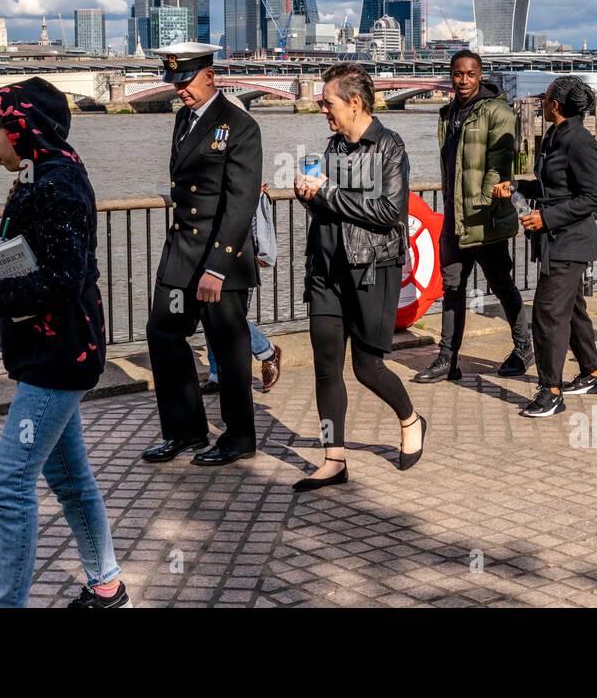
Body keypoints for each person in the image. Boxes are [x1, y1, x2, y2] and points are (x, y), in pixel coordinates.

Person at [0, 77, 126, 609]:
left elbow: (60, 279)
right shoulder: (45, 173)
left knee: (8, 484)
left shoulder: (57, 183)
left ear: (20, 128)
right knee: (67, 477)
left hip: (59, 354)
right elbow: (41, 260)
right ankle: (107, 585)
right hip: (53, 351)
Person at [293, 62, 425, 490]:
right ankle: (334, 458)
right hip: (326, 270)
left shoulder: (390, 146)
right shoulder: (332, 148)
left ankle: (410, 418)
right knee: (326, 368)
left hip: (370, 270)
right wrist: (309, 198)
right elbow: (332, 209)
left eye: (327, 102)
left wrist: (328, 193)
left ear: (354, 103)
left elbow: (390, 213)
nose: (321, 109)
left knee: (368, 368)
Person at [141, 43, 263, 467]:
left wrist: (217, 267)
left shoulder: (239, 124)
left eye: (186, 81)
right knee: (163, 333)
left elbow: (241, 201)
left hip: (218, 259)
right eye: (175, 82)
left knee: (228, 349)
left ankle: (239, 437)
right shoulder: (182, 119)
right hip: (181, 254)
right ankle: (184, 430)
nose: (180, 91)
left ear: (209, 75)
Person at [414, 49, 532, 384]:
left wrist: (481, 200)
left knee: (501, 285)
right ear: (450, 76)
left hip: (486, 218)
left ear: (480, 75)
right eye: (457, 74)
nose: (463, 81)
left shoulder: (497, 111)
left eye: (470, 74)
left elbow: (501, 163)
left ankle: (524, 347)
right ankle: (447, 360)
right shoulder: (449, 112)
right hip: (455, 218)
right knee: (452, 287)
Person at [495, 76, 597, 419]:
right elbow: (551, 186)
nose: (541, 102)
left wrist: (547, 218)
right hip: (555, 240)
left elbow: (593, 197)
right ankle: (593, 373)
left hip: (570, 241)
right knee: (571, 309)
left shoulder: (580, 142)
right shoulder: (554, 137)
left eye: (544, 99)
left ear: (555, 105)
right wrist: (518, 187)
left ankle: (551, 391)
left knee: (546, 313)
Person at [201, 184, 282, 395]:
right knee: (209, 309)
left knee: (230, 316)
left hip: (239, 256)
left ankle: (266, 351)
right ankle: (216, 373)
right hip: (210, 249)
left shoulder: (243, 171)